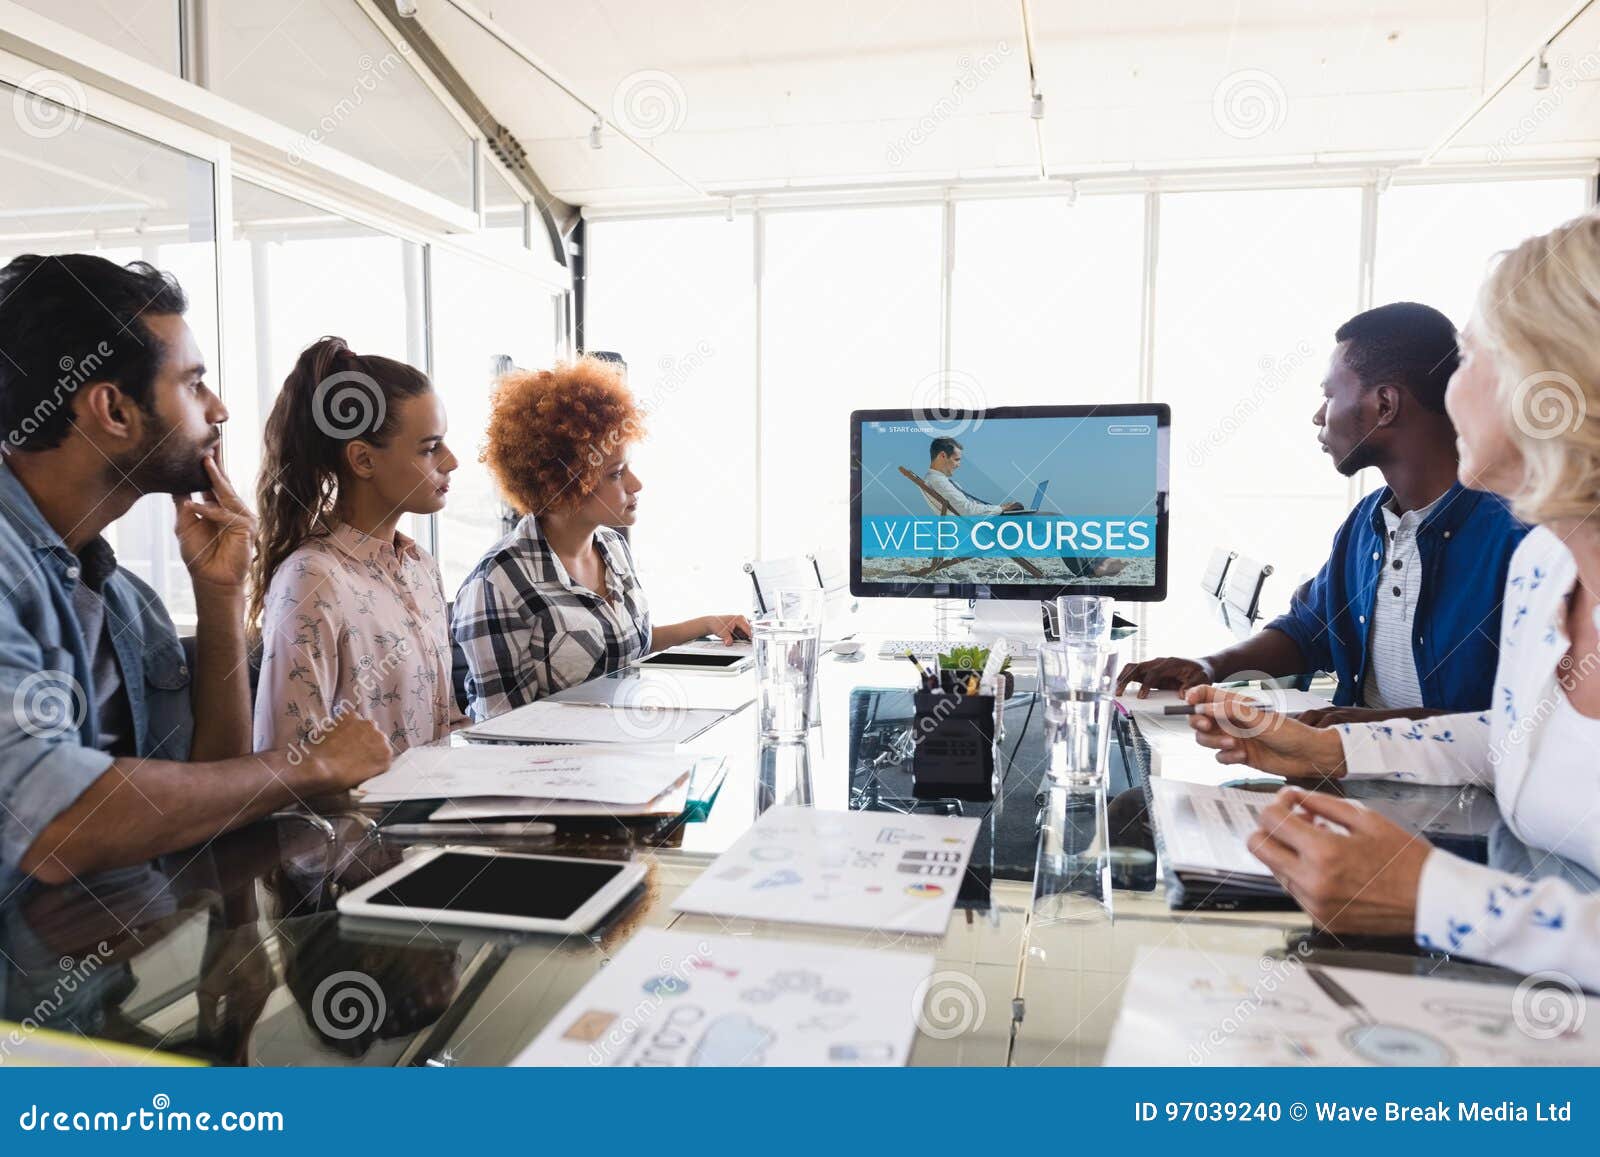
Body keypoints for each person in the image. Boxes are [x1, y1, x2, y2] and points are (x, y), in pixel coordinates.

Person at [1186, 215, 1600, 990]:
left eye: (1473, 356)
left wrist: (1438, 894)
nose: (1449, 385)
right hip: (1509, 994)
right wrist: (1325, 748)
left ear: (1553, 383)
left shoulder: (1518, 545)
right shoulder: (1548, 565)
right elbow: (1510, 735)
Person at [0, 254, 390, 887]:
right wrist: (306, 767)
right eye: (192, 383)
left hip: (109, 973)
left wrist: (220, 594)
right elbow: (56, 826)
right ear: (114, 410)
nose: (220, 409)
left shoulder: (126, 602)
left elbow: (216, 795)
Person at [1119, 302, 1528, 726]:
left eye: (1330, 394)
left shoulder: (1517, 536)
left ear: (1385, 405)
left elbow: (1525, 723)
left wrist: (1366, 729)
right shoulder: (1367, 521)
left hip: (1450, 787)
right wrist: (1207, 667)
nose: (1318, 415)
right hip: (1348, 768)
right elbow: (1306, 631)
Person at [453, 357, 752, 719]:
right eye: (616, 474)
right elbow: (497, 731)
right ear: (562, 485)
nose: (636, 484)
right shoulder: (498, 583)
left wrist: (706, 624)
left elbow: (622, 646)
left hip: (626, 750)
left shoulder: (611, 546)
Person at [250, 337, 465, 755]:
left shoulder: (421, 566)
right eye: (430, 448)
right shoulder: (311, 579)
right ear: (363, 460)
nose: (451, 461)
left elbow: (445, 724)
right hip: (364, 820)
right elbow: (284, 766)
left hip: (433, 812)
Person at [921, 437, 1025, 516]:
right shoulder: (938, 482)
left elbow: (967, 505)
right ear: (943, 456)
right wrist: (1001, 509)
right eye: (956, 459)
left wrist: (1000, 508)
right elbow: (967, 510)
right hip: (977, 529)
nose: (959, 464)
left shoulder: (936, 479)